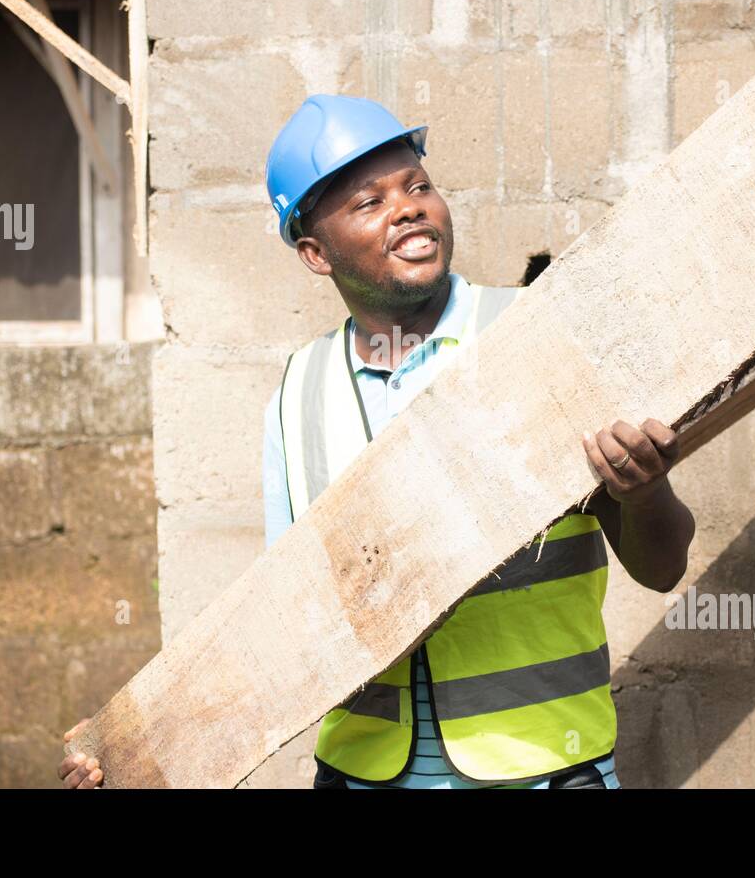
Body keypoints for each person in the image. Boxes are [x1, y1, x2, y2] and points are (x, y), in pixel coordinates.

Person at [59, 93, 695, 791]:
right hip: (361, 777)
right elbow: (288, 626)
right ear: (315, 252)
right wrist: (131, 752)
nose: (408, 207)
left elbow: (661, 567)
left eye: (418, 186)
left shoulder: (535, 336)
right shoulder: (298, 394)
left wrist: (644, 492)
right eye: (369, 202)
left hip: (543, 767)